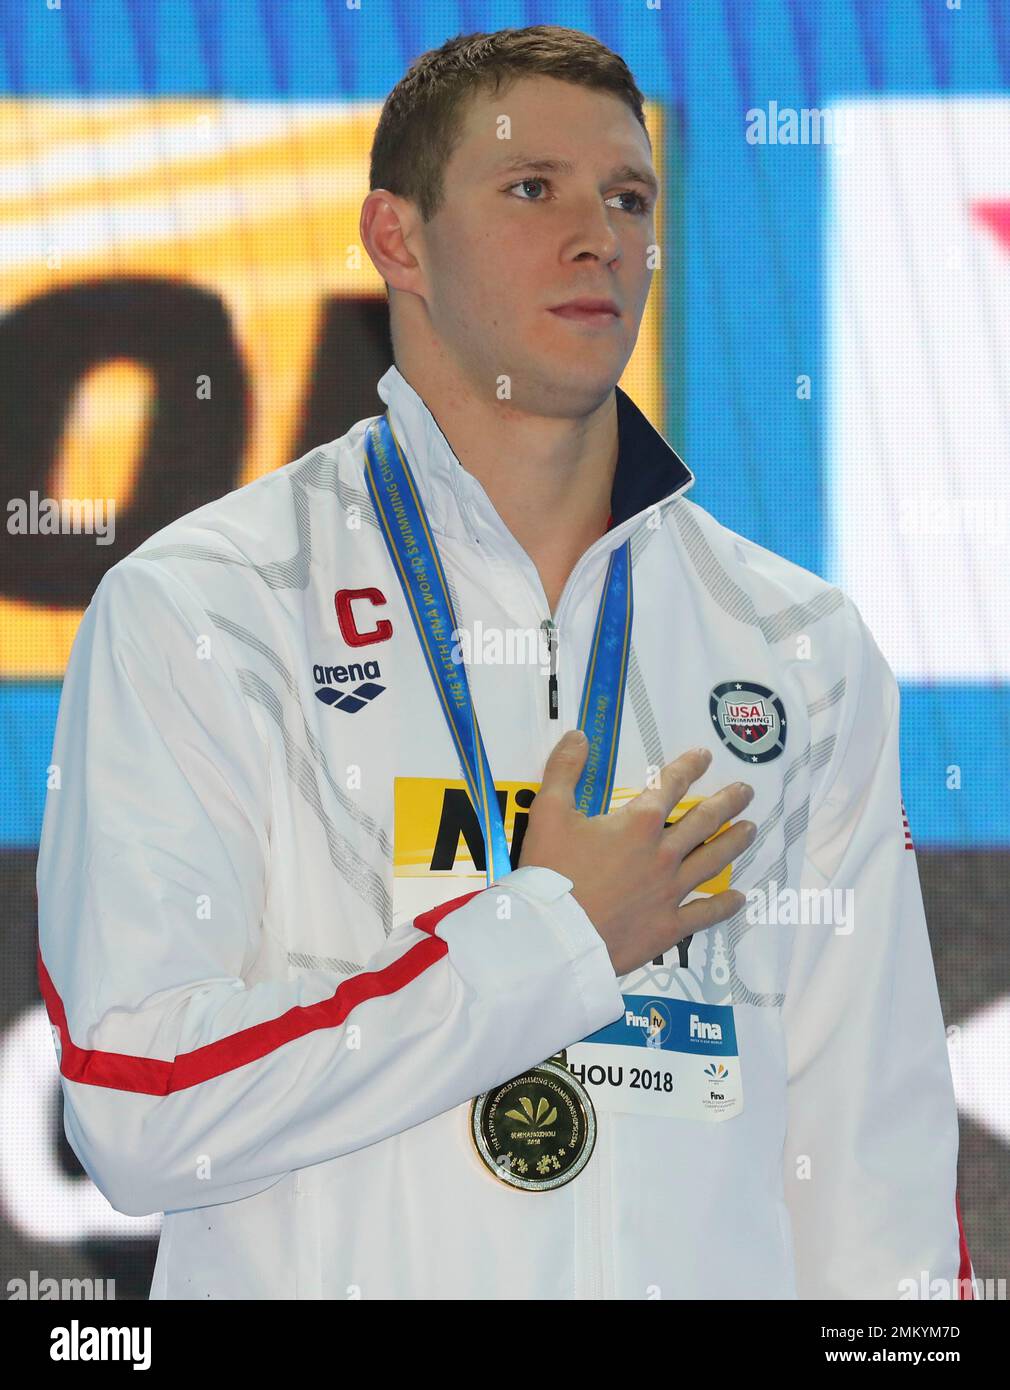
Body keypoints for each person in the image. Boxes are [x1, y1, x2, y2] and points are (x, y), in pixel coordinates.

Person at [36, 25, 973, 1300]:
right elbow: (137, 1104)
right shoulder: (211, 608)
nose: (599, 236)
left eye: (627, 197)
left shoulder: (792, 643)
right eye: (531, 188)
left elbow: (875, 1165)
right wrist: (548, 939)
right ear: (396, 239)